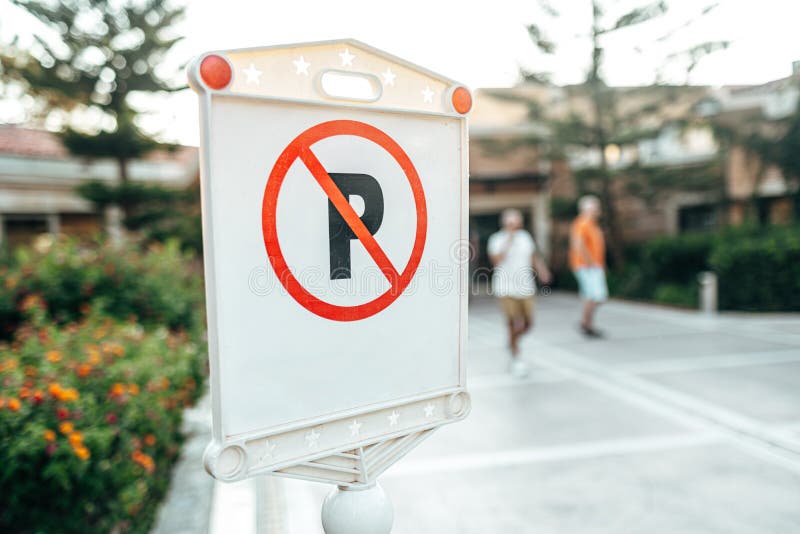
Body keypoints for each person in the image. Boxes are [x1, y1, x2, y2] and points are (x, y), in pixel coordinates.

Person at [487, 209, 552, 377]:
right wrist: (508, 240)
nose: (513, 225)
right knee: (511, 322)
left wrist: (542, 270)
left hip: (525, 286)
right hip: (505, 287)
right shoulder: (497, 239)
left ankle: (512, 341)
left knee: (529, 322)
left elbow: (533, 257)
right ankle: (515, 355)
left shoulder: (525, 237)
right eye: (510, 222)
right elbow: (496, 261)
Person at [570, 195, 608, 338]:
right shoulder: (582, 223)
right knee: (595, 296)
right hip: (586, 266)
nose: (597, 210)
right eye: (594, 207)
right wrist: (591, 263)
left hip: (593, 266)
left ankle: (586, 323)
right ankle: (586, 324)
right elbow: (578, 244)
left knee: (594, 296)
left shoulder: (592, 224)